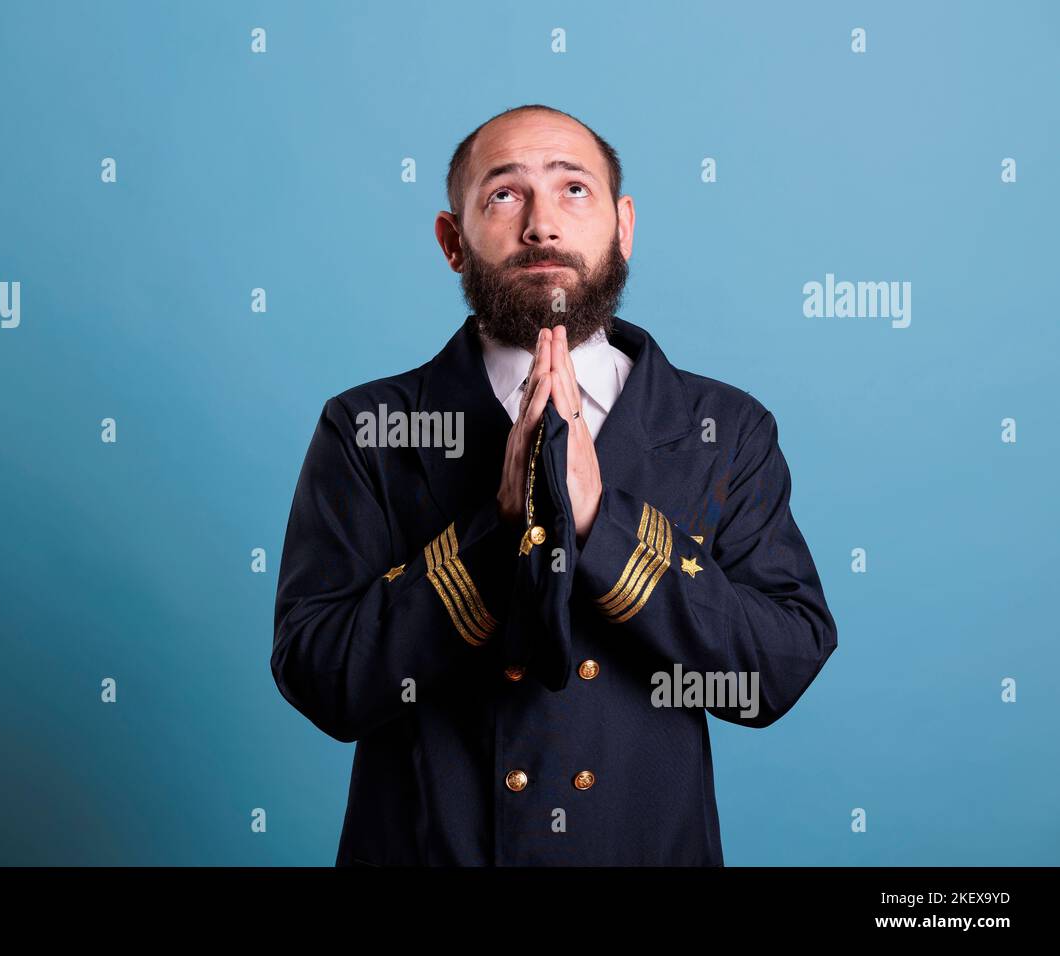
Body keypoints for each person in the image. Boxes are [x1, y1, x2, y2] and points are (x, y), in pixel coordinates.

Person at [271, 104, 838, 865]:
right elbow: (326, 680)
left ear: (623, 226)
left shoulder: (725, 426)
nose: (542, 224)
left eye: (575, 189)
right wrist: (493, 534)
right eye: (503, 194)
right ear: (451, 241)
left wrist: (603, 521)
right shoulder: (368, 426)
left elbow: (777, 671)